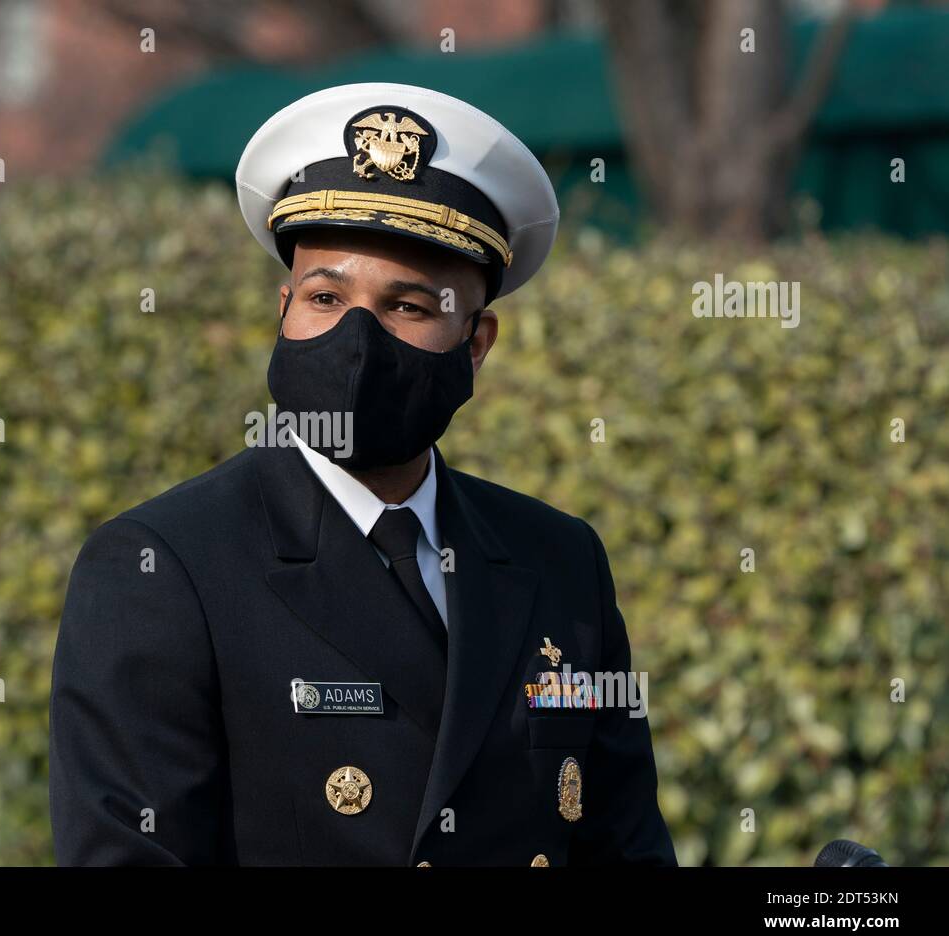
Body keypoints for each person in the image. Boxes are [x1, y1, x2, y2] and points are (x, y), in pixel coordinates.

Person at [49, 82, 677, 866]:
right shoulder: (161, 568)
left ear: (475, 343)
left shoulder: (560, 562)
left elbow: (625, 848)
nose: (355, 339)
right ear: (283, 309)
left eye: (408, 307)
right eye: (325, 296)